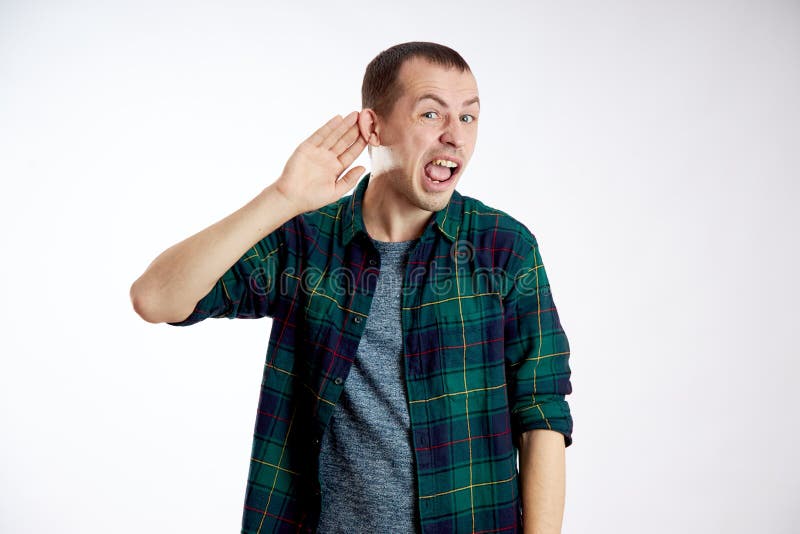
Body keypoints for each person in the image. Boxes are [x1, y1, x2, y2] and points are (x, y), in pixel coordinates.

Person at [130, 41, 573, 534]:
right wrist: (281, 199)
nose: (455, 138)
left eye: (468, 118)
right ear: (374, 126)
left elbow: (541, 412)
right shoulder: (306, 241)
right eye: (432, 114)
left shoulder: (503, 248)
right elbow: (156, 299)